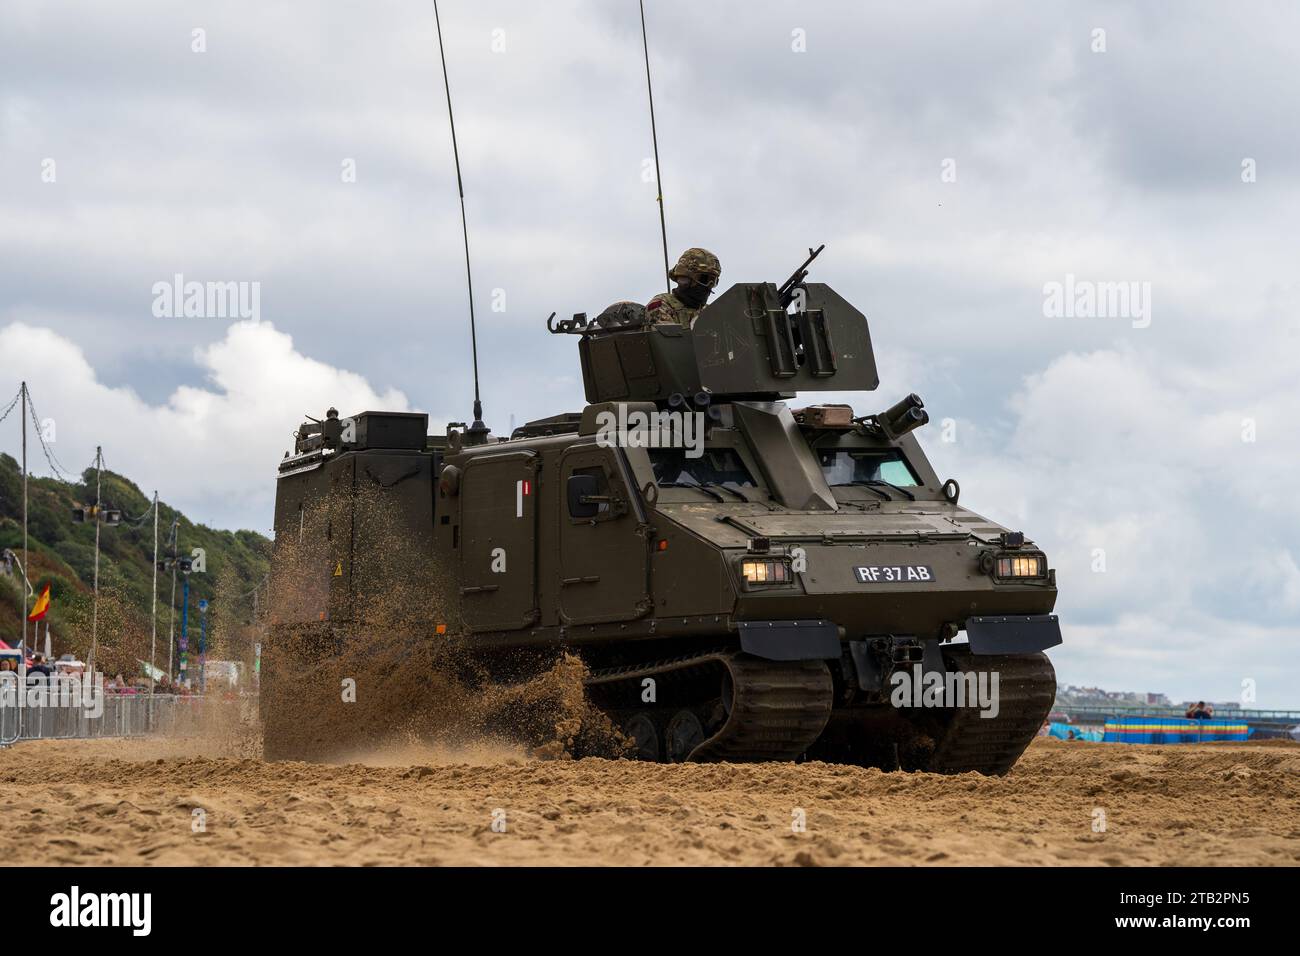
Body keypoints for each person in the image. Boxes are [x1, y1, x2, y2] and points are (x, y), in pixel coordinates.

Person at [645, 247, 722, 328]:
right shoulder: (660, 306)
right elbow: (670, 339)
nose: (709, 286)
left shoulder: (710, 312)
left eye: (714, 281)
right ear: (686, 279)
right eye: (704, 279)